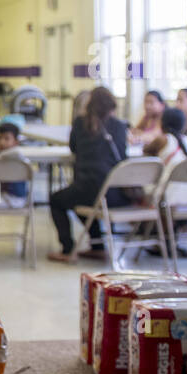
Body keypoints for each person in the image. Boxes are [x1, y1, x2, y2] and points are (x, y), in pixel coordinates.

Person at [47, 86, 130, 263]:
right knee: (80, 202)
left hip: (90, 189)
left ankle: (68, 249)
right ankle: (97, 247)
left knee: (57, 200)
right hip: (117, 194)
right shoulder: (120, 126)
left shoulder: (80, 123)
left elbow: (73, 148)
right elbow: (123, 156)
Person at [154, 107, 187, 208]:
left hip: (169, 197)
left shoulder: (163, 140)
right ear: (184, 125)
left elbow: (145, 151)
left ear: (162, 123)